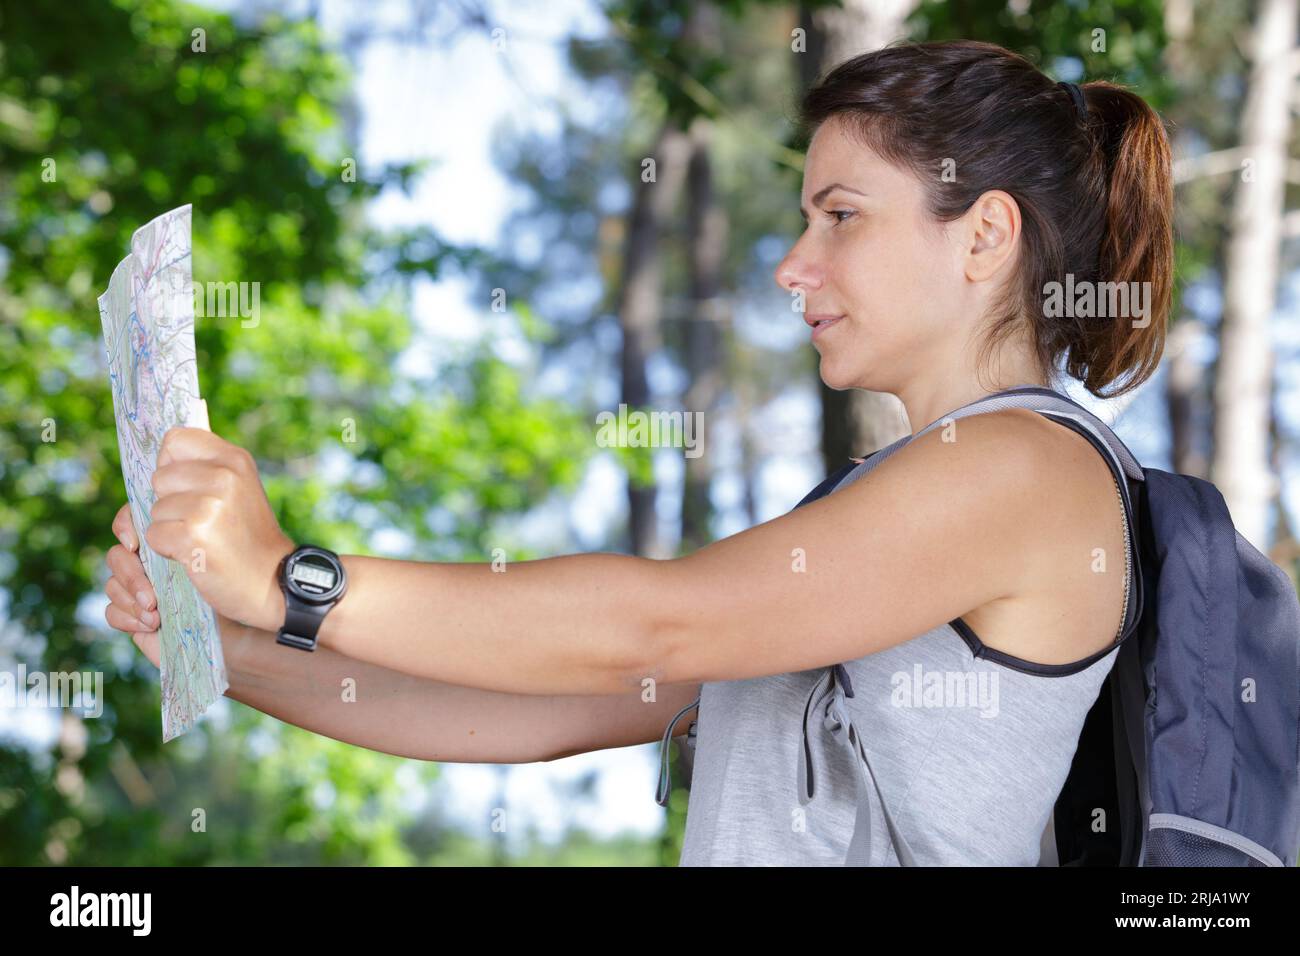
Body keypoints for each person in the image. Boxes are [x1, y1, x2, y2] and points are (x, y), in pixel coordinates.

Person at [104, 38, 1173, 865]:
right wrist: (227, 647)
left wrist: (291, 576)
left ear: (985, 236)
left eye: (840, 216)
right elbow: (543, 703)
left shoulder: (1027, 468)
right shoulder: (865, 512)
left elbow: (650, 622)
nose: (792, 266)